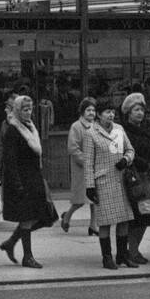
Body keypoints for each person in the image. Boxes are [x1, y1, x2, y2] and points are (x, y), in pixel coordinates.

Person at [0, 95, 53, 268]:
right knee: (28, 218)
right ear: (17, 111)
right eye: (24, 110)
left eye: (30, 109)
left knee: (45, 216)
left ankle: (11, 242)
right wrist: (17, 185)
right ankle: (27, 256)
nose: (28, 113)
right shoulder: (13, 130)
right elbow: (10, 160)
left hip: (34, 179)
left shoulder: (30, 127)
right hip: (22, 181)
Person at [84, 102, 136, 269]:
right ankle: (107, 257)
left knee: (124, 220)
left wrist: (125, 160)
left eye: (113, 112)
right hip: (103, 182)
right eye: (107, 112)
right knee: (105, 222)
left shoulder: (119, 129)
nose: (111, 115)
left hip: (121, 180)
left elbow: (130, 150)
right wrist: (89, 186)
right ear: (99, 115)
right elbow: (88, 163)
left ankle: (122, 255)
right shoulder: (91, 133)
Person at [122, 94, 150, 265]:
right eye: (136, 110)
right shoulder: (123, 131)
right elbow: (126, 152)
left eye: (141, 110)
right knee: (136, 216)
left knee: (147, 214)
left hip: (148, 175)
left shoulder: (146, 129)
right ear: (128, 113)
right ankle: (131, 251)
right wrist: (141, 162)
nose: (140, 113)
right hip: (133, 177)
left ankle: (134, 250)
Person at [61, 98, 97, 235]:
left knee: (95, 199)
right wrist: (86, 161)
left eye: (93, 110)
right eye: (88, 110)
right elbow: (73, 148)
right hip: (81, 168)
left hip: (96, 167)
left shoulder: (97, 126)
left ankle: (93, 226)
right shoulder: (76, 126)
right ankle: (67, 216)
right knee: (80, 200)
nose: (91, 113)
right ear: (82, 111)